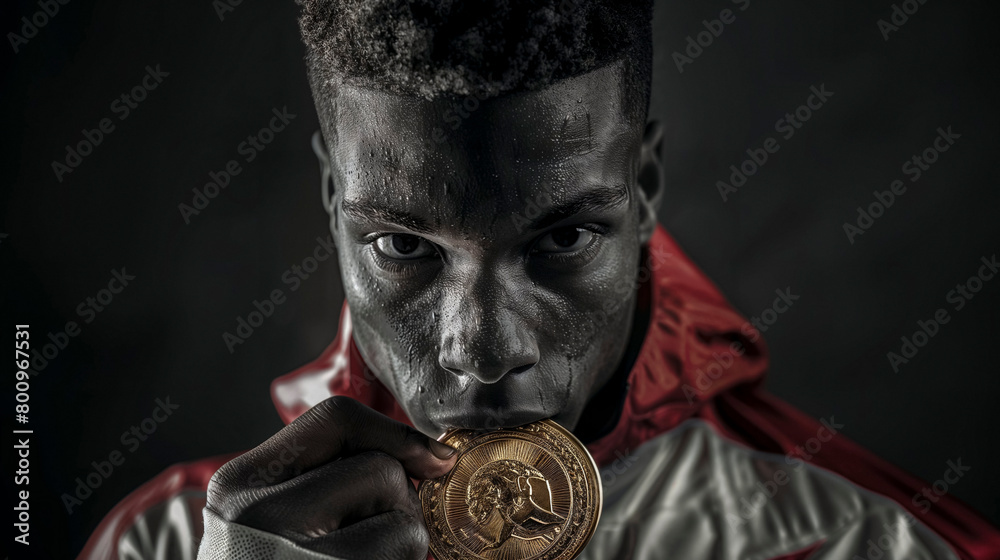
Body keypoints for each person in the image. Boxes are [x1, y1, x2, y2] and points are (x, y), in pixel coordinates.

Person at [80, 0, 1000, 558]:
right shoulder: (164, 544)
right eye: (403, 246)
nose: (483, 349)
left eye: (562, 238)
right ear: (334, 201)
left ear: (642, 190)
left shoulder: (868, 544)